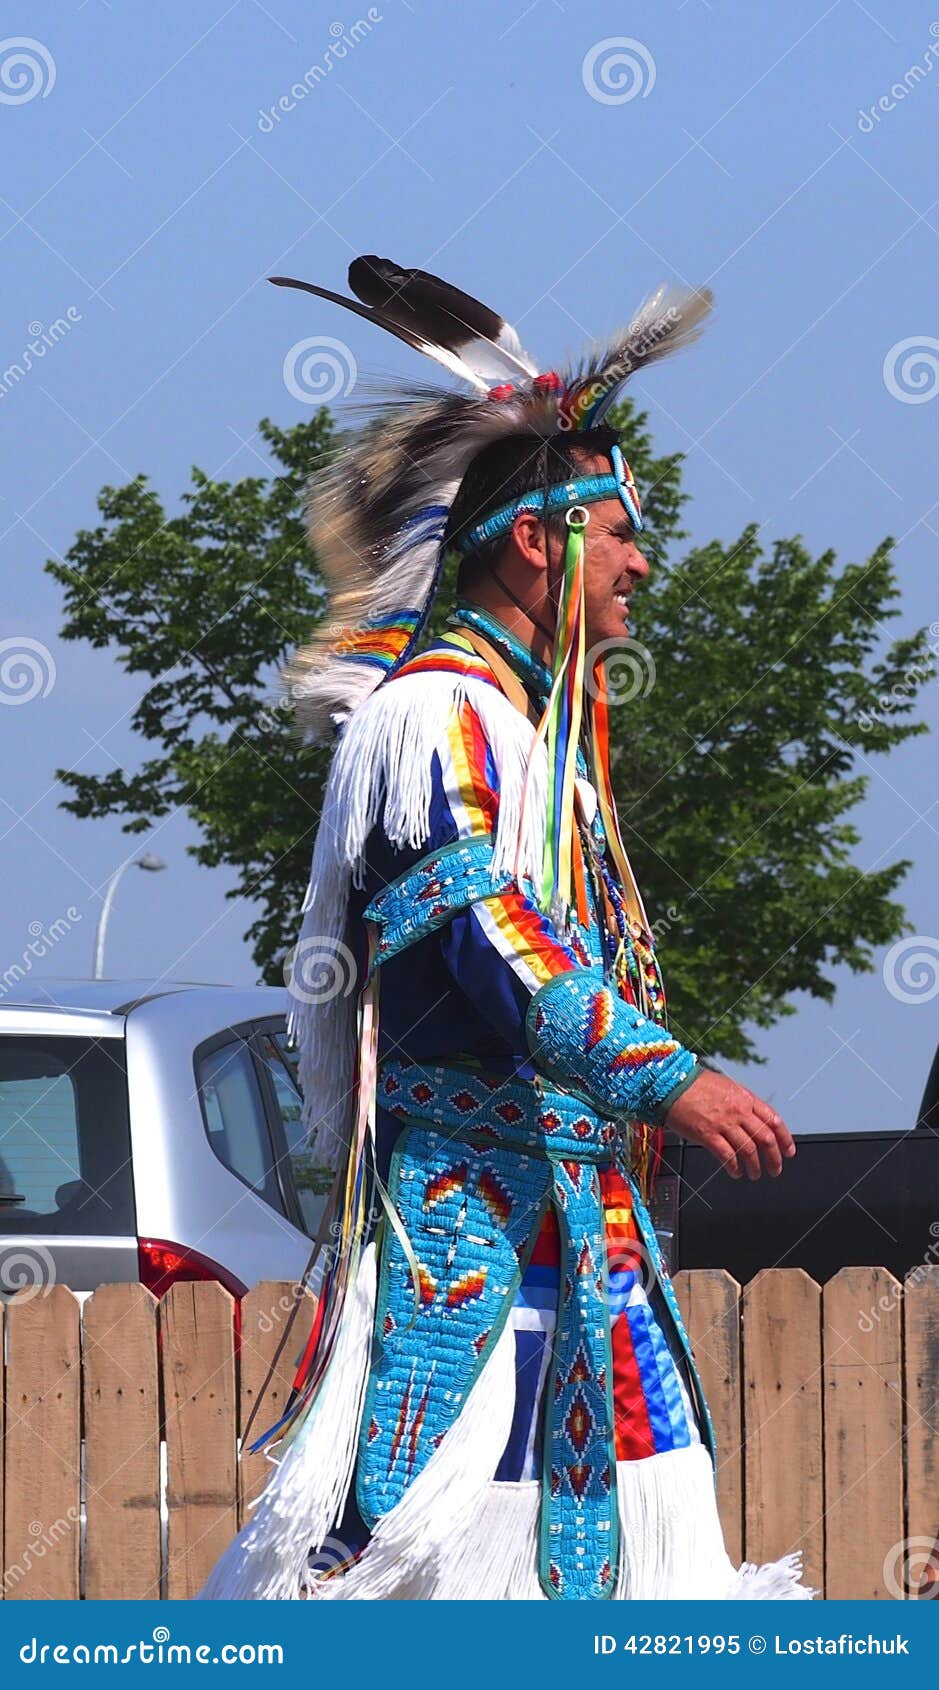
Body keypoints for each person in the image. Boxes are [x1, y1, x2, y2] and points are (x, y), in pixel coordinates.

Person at [199, 256, 813, 1603]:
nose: (642, 560)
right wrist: (673, 1075)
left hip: (570, 1237)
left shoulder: (522, 737)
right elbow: (490, 934)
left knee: (631, 1576)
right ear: (537, 537)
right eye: (622, 532)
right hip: (464, 1245)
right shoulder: (437, 721)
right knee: (404, 1581)